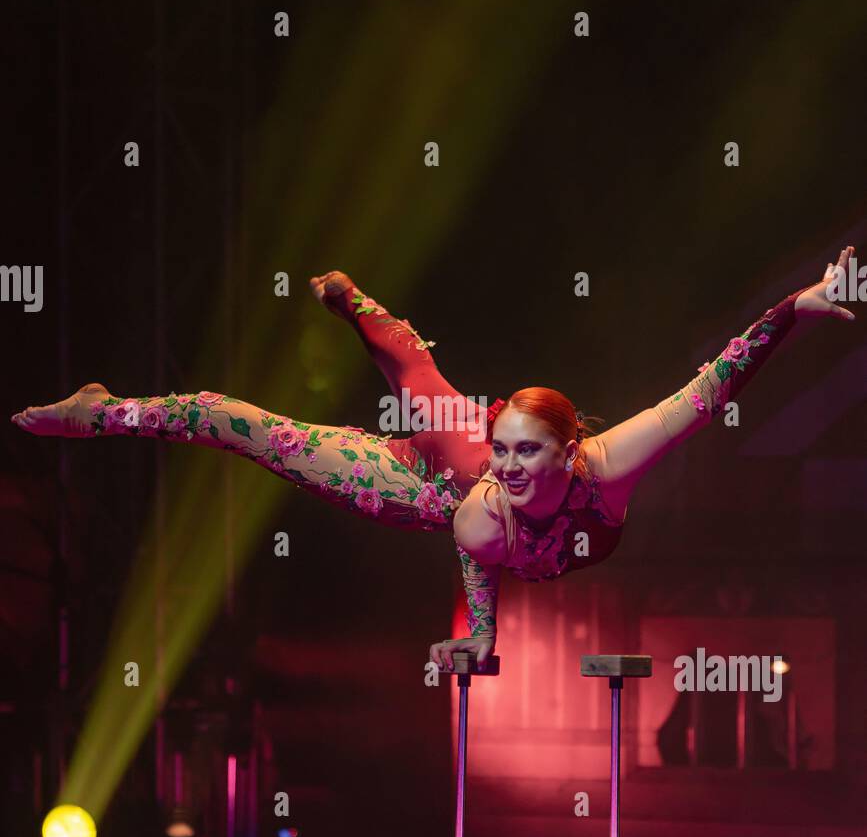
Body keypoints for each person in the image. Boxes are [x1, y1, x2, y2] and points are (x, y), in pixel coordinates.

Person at [12, 250, 857, 676]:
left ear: (570, 452)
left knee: (422, 386)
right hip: (415, 483)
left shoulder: (611, 465)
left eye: (527, 455)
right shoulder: (477, 494)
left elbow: (711, 384)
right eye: (504, 453)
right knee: (261, 426)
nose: (512, 468)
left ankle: (356, 308)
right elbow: (473, 531)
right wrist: (480, 632)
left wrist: (803, 307)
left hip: (470, 458)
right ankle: (108, 412)